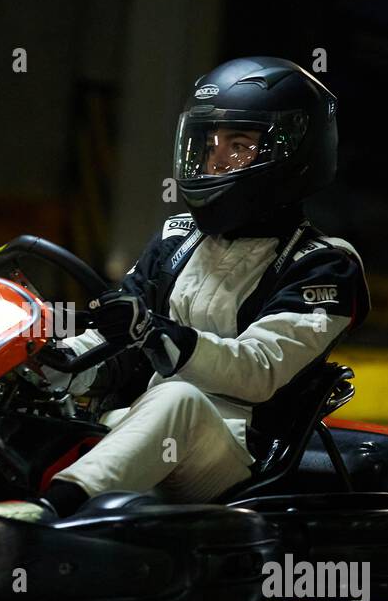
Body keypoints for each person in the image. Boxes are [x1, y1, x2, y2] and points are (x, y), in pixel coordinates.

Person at [39, 56, 370, 516]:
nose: (215, 161)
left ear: (294, 151)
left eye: (237, 145)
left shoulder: (324, 263)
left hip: (233, 453)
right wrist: (54, 360)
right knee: (24, 382)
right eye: (209, 144)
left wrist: (159, 335)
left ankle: (46, 514)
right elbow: (118, 338)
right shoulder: (179, 237)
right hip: (140, 427)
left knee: (179, 398)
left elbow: (257, 371)